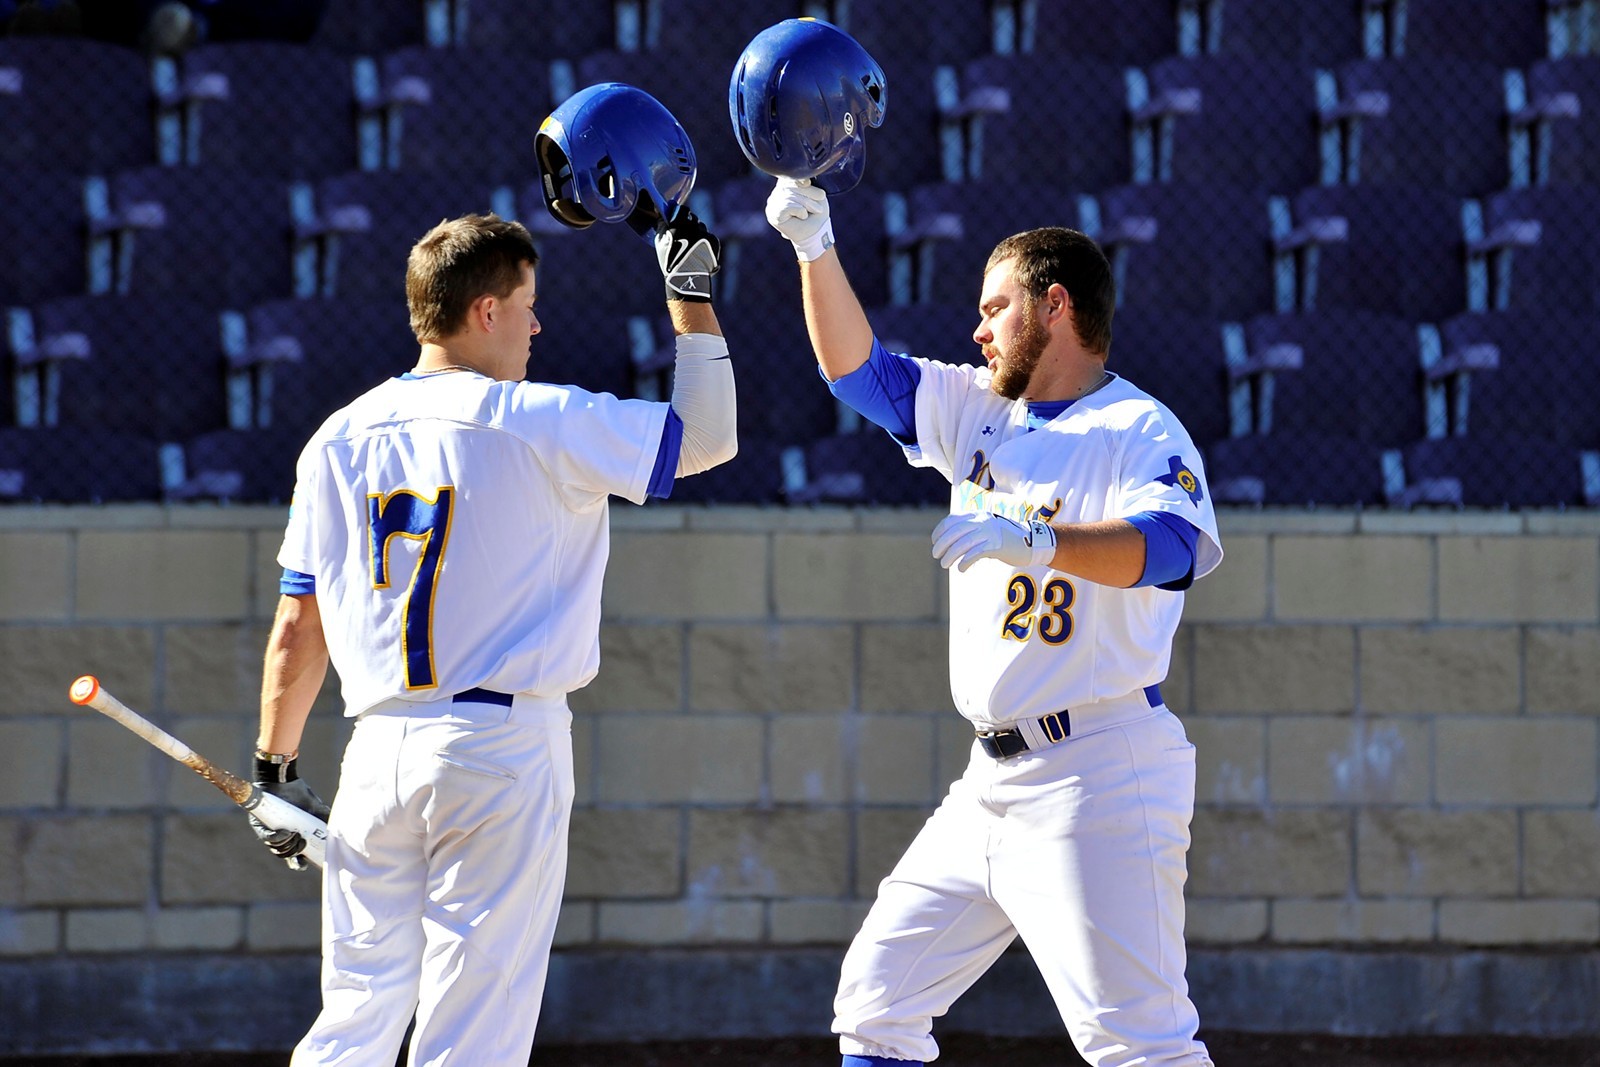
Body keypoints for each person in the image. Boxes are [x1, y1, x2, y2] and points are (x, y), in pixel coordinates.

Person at [246, 88, 733, 1062]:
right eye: (526, 308)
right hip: (499, 744)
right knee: (474, 1023)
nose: (535, 330)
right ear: (483, 309)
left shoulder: (334, 437)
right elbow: (708, 439)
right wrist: (691, 291)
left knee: (354, 1016)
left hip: (375, 749)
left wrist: (274, 770)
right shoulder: (535, 418)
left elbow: (298, 628)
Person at [763, 177, 1223, 1067]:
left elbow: (1173, 547)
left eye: (995, 306)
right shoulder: (982, 406)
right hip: (988, 778)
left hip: (1096, 767)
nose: (977, 329)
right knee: (876, 1003)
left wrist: (1038, 535)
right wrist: (814, 248)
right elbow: (858, 373)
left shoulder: (1137, 425)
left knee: (1141, 1047)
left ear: (1055, 305)